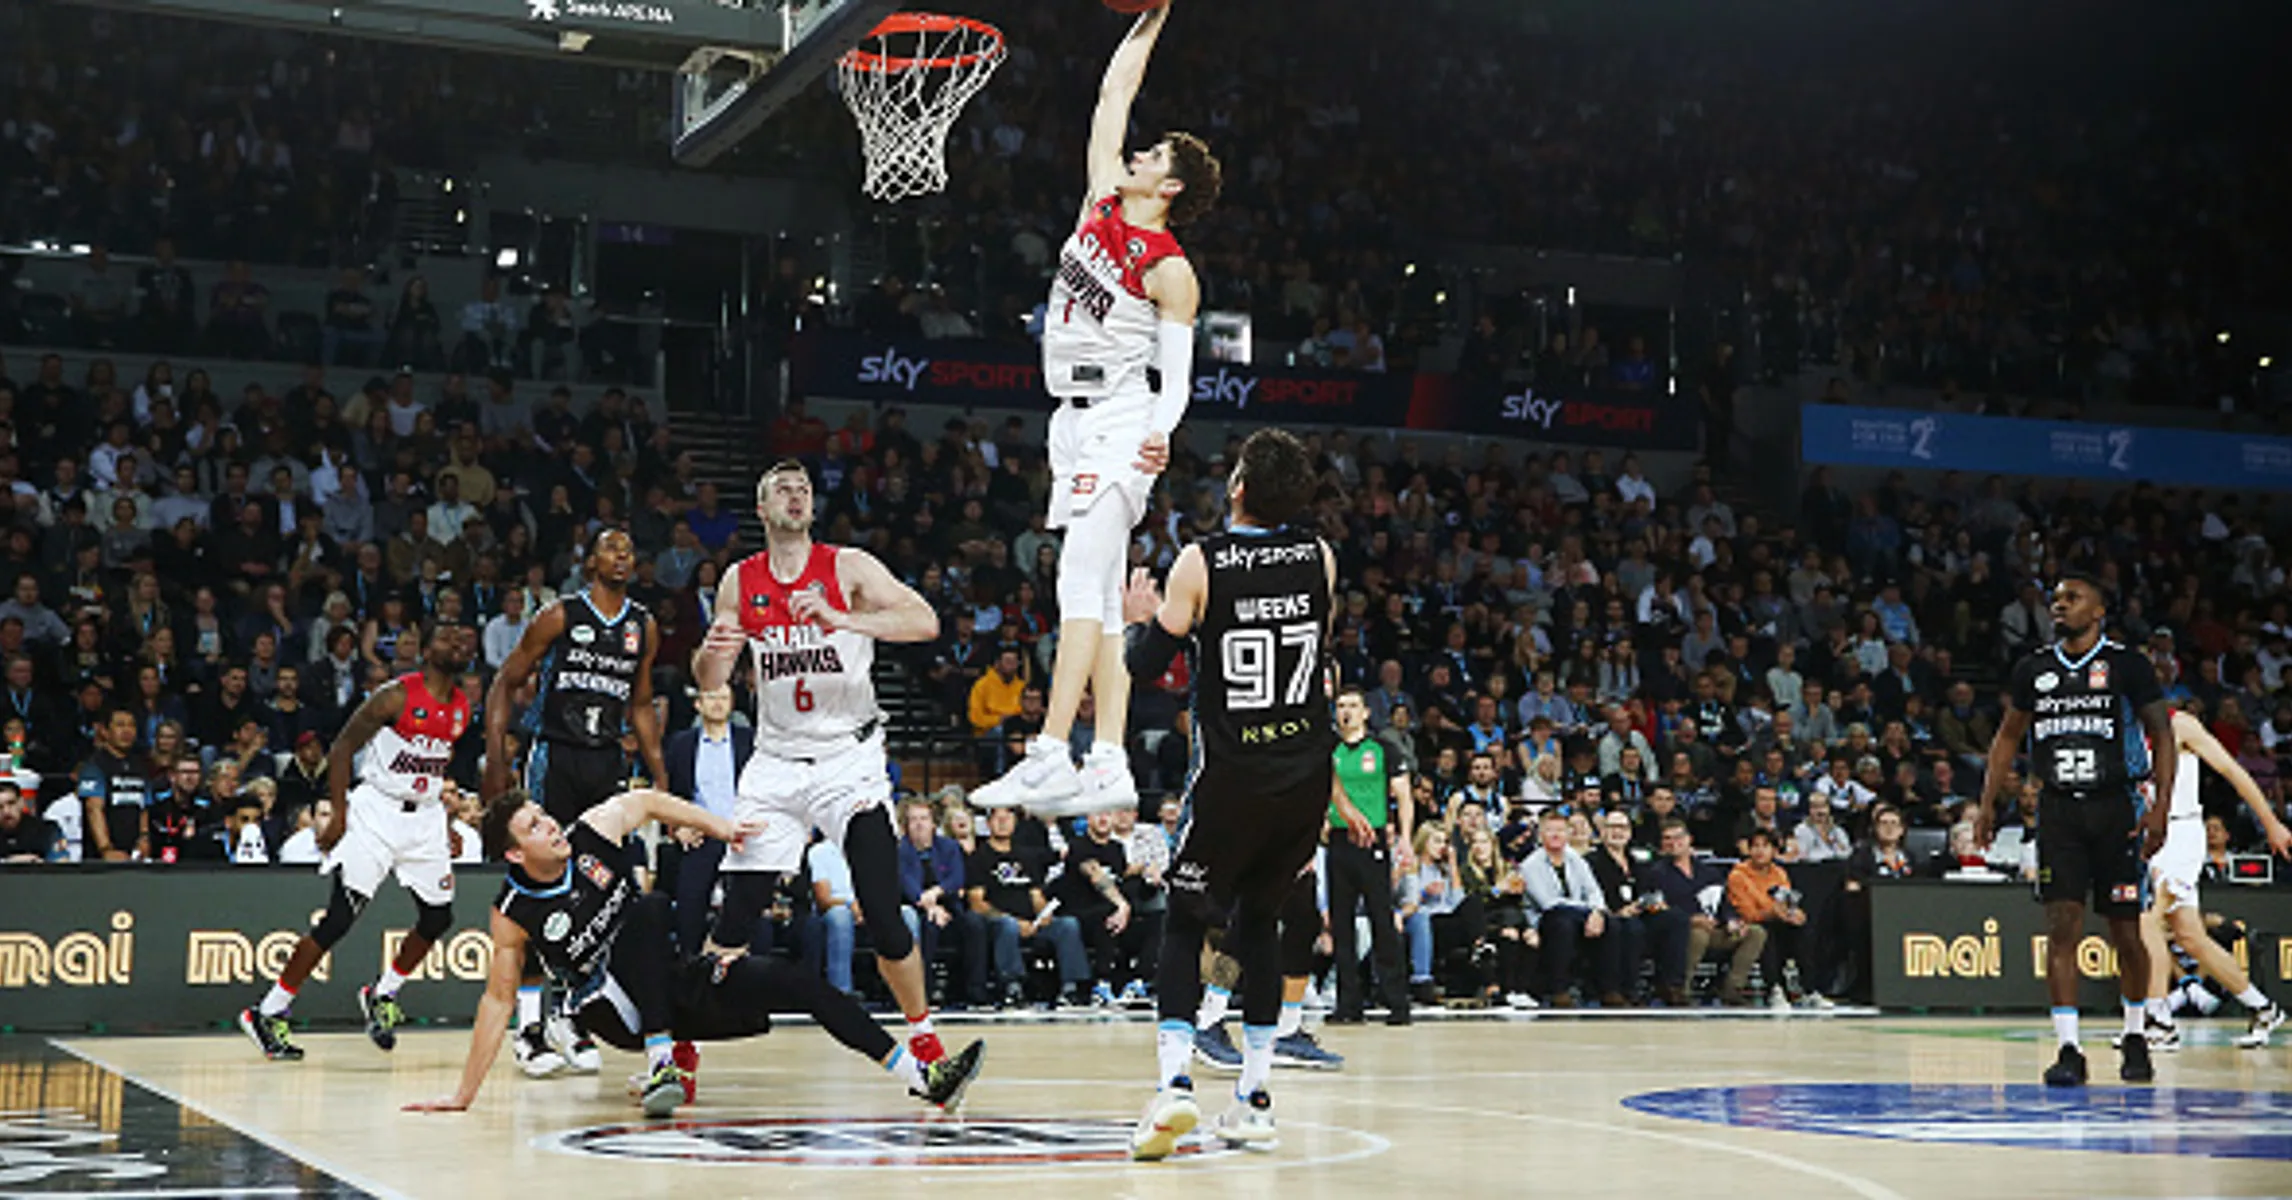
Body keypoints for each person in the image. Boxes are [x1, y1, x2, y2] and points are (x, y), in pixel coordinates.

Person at [971, 0, 1221, 822]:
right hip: (1069, 420)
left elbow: (1178, 376)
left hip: (1119, 418)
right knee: (1105, 595)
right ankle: (1109, 758)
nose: (1136, 152)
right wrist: (1153, 18)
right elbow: (1113, 96)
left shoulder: (1172, 269)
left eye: (1152, 155)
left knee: (1080, 579)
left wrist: (1157, 437)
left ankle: (1050, 753)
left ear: (1171, 185)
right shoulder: (1102, 200)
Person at [404, 789, 984, 1119]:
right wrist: (462, 1096)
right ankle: (662, 1061)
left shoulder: (590, 833)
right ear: (514, 853)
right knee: (649, 910)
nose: (551, 825)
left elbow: (649, 800)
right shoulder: (512, 910)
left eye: (545, 815)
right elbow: (496, 1002)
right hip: (613, 1011)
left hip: (668, 983)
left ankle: (924, 1077)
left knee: (792, 981)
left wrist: (721, 828)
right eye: (534, 826)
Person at [1121, 428, 1357, 1161]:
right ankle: (1254, 1099)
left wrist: (1138, 616)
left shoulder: (1201, 561)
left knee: (1187, 922)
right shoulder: (1321, 558)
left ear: (1239, 489)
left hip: (1232, 776)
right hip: (1304, 776)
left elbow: (1147, 663)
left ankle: (1175, 1087)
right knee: (1260, 923)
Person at [692, 462, 949, 1072]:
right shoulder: (740, 580)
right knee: (736, 915)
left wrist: (844, 619)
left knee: (885, 912)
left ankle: (925, 1036)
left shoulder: (847, 567)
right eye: (781, 487)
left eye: (803, 488)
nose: (795, 493)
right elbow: (711, 680)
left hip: (848, 758)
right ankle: (681, 1050)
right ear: (761, 510)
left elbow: (925, 621)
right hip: (777, 761)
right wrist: (710, 658)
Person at [238, 622, 475, 1061]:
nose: (457, 644)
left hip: (422, 816)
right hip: (376, 810)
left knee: (438, 918)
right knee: (339, 920)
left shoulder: (461, 707)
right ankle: (267, 1011)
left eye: (463, 639)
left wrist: (442, 824)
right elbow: (344, 746)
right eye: (446, 637)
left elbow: (435, 769)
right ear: (425, 649)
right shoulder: (396, 695)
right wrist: (340, 814)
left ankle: (383, 994)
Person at [1974, 572, 2173, 1088]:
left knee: (2126, 931)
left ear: (2099, 610)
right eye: (2056, 599)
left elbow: (2162, 735)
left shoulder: (2127, 665)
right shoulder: (2033, 669)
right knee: (2061, 928)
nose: (2060, 606)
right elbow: (2006, 739)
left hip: (2118, 808)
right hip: (2058, 809)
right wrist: (1987, 804)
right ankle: (2068, 1048)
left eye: (2072, 598)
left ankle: (2134, 1034)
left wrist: (2161, 809)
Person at [485, 531, 668, 1080]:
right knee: (541, 887)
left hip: (606, 760)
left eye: (630, 551)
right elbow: (505, 680)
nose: (621, 558)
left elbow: (639, 704)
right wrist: (496, 758)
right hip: (555, 756)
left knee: (605, 888)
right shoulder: (558, 615)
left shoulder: (643, 626)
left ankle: (570, 1016)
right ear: (590, 561)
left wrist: (659, 774)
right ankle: (530, 1028)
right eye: (611, 549)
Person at [2134, 706, 2292, 1050]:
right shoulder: (2122, 728)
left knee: (2147, 920)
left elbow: (2231, 771)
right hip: (2150, 835)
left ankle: (2158, 1022)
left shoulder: (2180, 724)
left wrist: (2270, 822)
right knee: (2190, 937)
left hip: (2182, 832)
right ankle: (2263, 1008)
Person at [1325, 686, 1412, 1025]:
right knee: (1341, 924)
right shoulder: (1328, 750)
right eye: (1341, 705)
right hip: (1338, 840)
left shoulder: (1383, 749)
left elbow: (1403, 795)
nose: (1346, 711)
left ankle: (1397, 1002)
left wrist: (1404, 838)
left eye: (1353, 705)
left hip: (1373, 841)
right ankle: (1349, 1004)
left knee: (1381, 920)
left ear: (1365, 713)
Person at [1588, 808, 1688, 1006]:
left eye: (1623, 827)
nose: (1618, 832)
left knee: (1675, 918)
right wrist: (1618, 910)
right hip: (1608, 917)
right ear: (1602, 831)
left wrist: (1654, 903)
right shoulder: (1593, 861)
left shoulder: (1638, 861)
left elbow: (1649, 889)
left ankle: (1671, 985)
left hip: (1640, 912)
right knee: (1629, 927)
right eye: (1613, 827)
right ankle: (1620, 989)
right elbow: (1591, 895)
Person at [1520, 809, 1619, 1008]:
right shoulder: (1530, 865)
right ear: (1540, 835)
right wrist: (1588, 911)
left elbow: (1594, 891)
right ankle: (1559, 989)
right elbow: (1548, 902)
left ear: (1568, 834)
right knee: (1562, 924)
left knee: (1612, 924)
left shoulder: (1576, 859)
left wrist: (1597, 912)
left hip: (1577, 914)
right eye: (1550, 831)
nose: (1556, 835)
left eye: (1561, 830)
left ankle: (1608, 989)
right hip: (1544, 918)